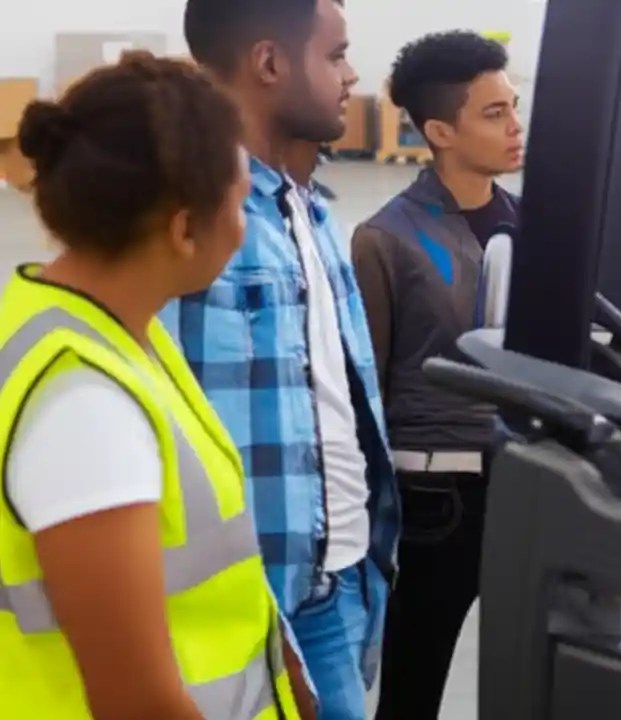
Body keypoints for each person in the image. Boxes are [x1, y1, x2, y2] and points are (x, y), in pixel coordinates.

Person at [0, 52, 311, 720]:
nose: (246, 224)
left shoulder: (106, 330)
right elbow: (137, 703)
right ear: (183, 228)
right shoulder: (82, 407)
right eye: (239, 202)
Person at [166, 2, 400, 718]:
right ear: (269, 64)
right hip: (244, 599)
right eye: (335, 56)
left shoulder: (309, 209)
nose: (352, 75)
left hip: (336, 584)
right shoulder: (187, 211)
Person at [349, 30, 523, 720]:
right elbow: (368, 391)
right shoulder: (385, 239)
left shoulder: (537, 225)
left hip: (530, 484)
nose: (516, 127)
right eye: (494, 114)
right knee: (413, 689)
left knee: (538, 680)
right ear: (440, 131)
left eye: (514, 107)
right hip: (436, 501)